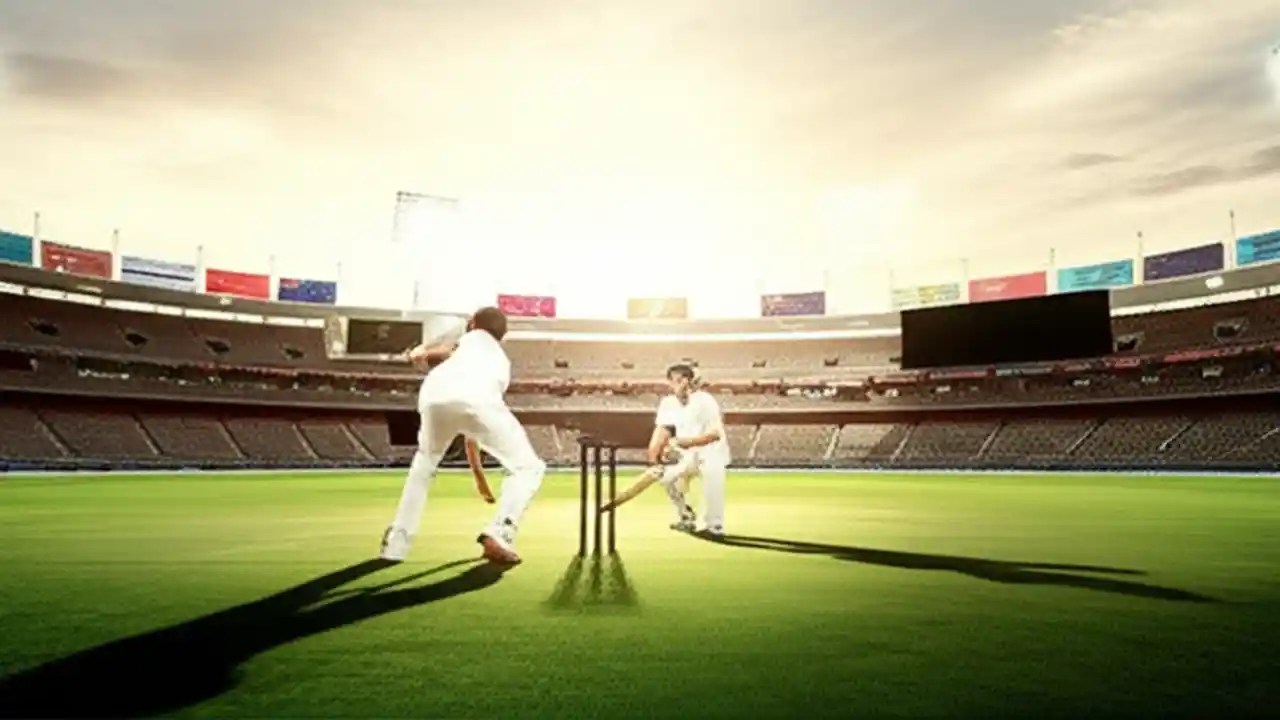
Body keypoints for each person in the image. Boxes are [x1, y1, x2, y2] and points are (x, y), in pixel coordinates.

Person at [379, 306, 546, 565]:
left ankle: (396, 543)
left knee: (424, 465)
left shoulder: (468, 340)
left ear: (472, 323)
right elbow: (475, 419)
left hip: (434, 398)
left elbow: (446, 353)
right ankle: (500, 531)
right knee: (529, 467)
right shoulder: (500, 360)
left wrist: (419, 354)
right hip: (479, 401)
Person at [601, 364, 730, 536]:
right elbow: (661, 432)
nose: (683, 384)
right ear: (670, 382)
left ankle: (714, 526)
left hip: (711, 452)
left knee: (712, 480)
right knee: (666, 478)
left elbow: (714, 434)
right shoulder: (668, 403)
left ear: (691, 381)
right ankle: (686, 516)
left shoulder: (705, 401)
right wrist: (654, 461)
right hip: (688, 455)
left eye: (686, 380)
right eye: (677, 380)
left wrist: (685, 442)